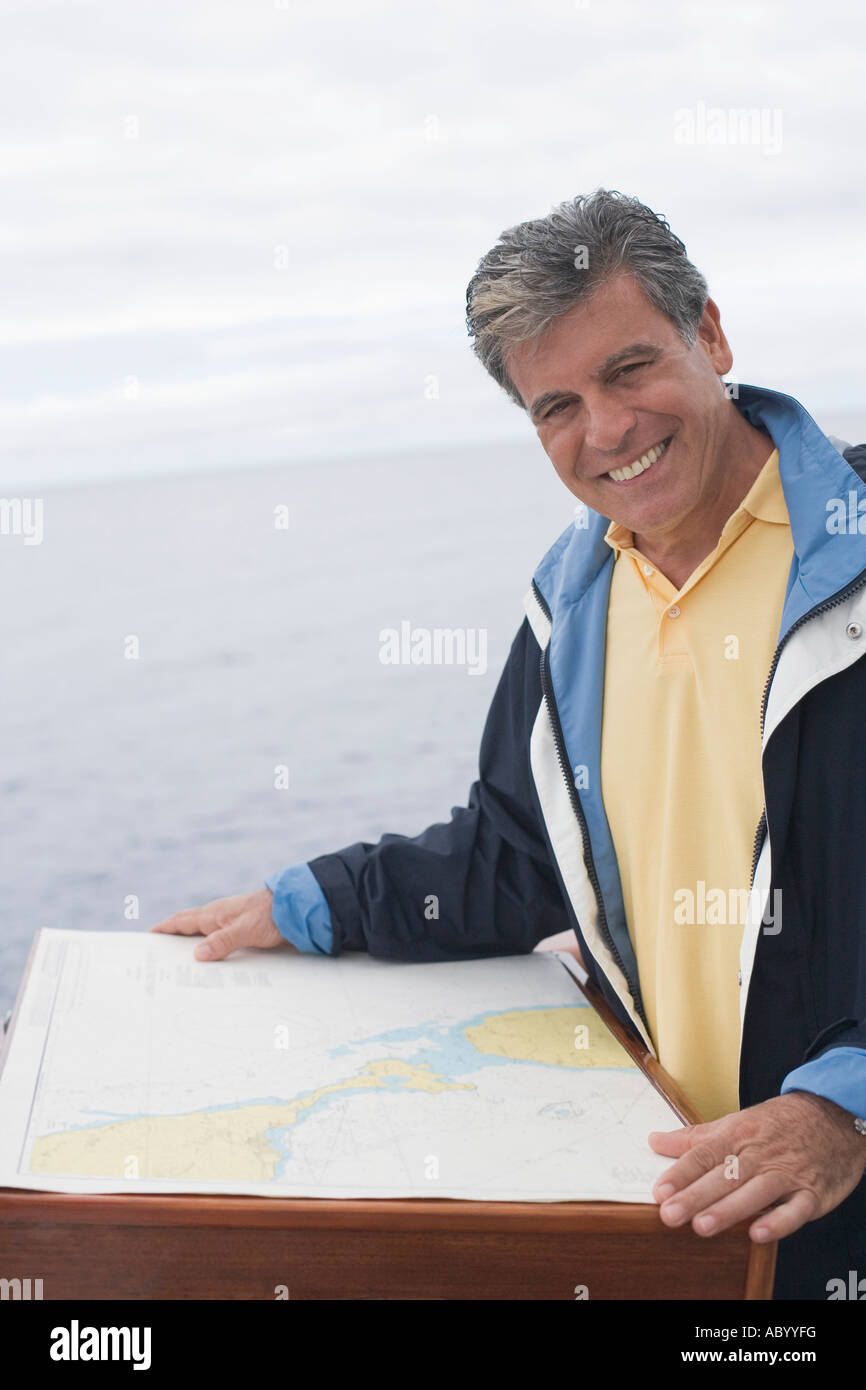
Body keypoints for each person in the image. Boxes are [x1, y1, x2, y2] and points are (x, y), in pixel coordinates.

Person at [152, 189, 866, 1301]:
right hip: (695, 1206)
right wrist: (314, 901)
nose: (607, 430)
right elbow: (517, 853)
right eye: (555, 406)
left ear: (710, 335)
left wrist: (844, 1104)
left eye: (629, 369)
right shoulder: (569, 602)